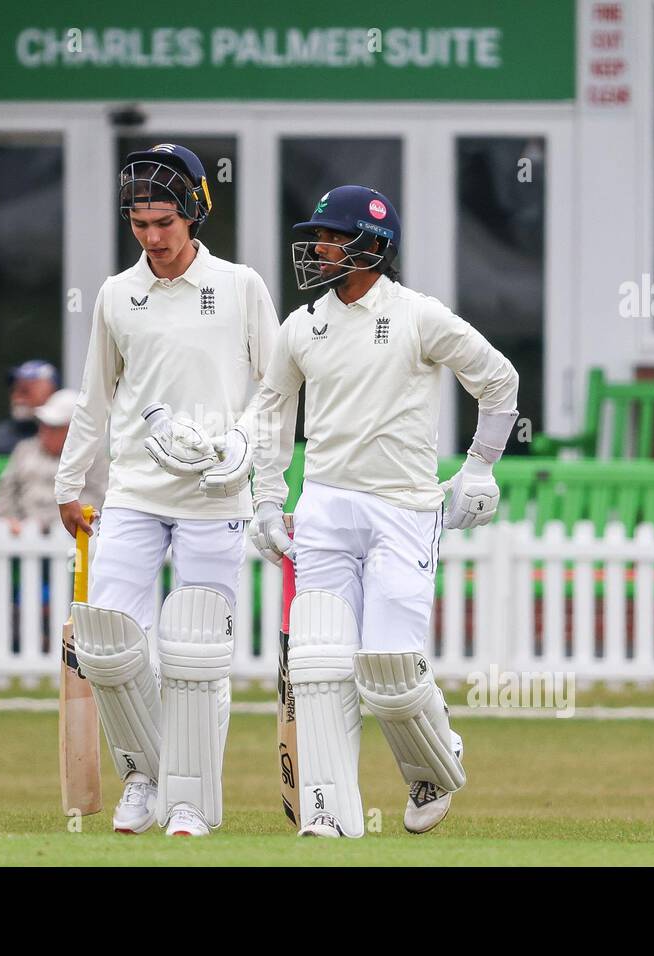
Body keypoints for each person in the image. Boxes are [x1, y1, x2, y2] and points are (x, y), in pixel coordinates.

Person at [164, 185, 519, 838]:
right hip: (325, 506)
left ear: (373, 246)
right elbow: (270, 416)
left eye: (333, 236)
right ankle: (328, 811)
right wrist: (269, 502)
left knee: (388, 664)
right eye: (318, 236)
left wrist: (480, 465)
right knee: (322, 666)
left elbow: (499, 380)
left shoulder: (418, 316)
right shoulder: (302, 327)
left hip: (405, 507)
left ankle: (432, 762)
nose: (319, 247)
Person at [54, 143, 282, 837]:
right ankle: (144, 778)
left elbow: (276, 392)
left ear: (194, 214)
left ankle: (188, 797)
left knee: (196, 657)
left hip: (216, 496)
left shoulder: (241, 285)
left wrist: (250, 456)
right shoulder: (117, 294)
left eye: (165, 223)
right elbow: (95, 396)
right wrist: (70, 479)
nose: (153, 238)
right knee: (112, 646)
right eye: (140, 223)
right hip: (135, 490)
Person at [0, 389, 107, 533]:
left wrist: (49, 522)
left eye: (54, 427)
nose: (44, 431)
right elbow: (5, 492)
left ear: (73, 430)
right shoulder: (24, 450)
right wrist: (10, 519)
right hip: (19, 535)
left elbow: (97, 498)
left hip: (68, 535)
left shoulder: (94, 456)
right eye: (43, 424)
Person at [0, 360, 58, 456]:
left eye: (25, 390)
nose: (17, 397)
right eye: (14, 390)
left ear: (51, 392)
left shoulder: (68, 433)